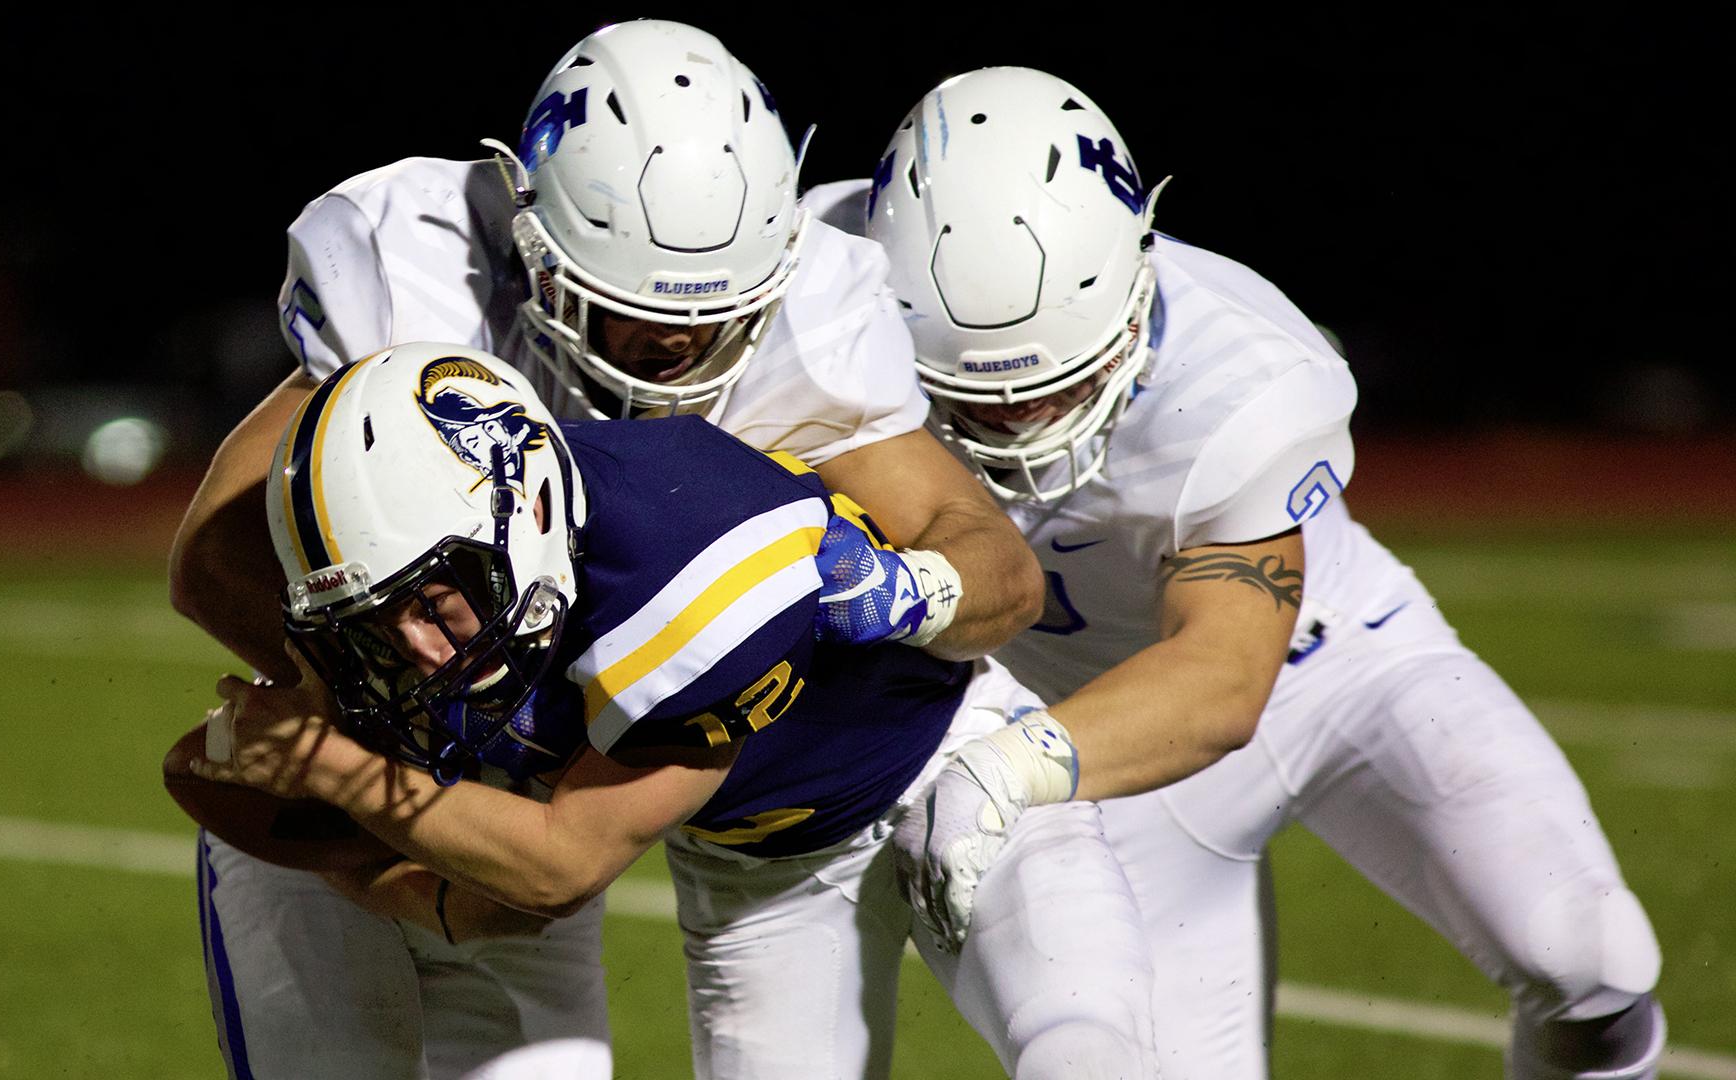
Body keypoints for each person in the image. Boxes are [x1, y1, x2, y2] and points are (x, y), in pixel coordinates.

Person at [166, 21, 1073, 1079]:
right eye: (626, 316)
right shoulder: (421, 290)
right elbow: (214, 559)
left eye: (712, 320)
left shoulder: (805, 336)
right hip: (435, 755)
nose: (671, 351)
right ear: (534, 244)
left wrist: (902, 591)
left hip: (536, 803)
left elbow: (997, 567)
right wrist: (391, 722)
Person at [845, 67, 1666, 1080]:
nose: (1022, 423)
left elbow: (1223, 680)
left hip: (1331, 672)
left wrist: (1004, 770)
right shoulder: (826, 284)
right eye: (975, 398)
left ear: (1134, 276)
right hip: (1112, 761)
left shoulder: (1244, 375)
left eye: (1058, 381)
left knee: (1592, 954)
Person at [189, 342, 1158, 1080]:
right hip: (762, 875)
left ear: (523, 512)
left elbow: (563, 860)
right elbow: (503, 894)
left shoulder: (684, 553)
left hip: (953, 761)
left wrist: (334, 771)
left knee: (1079, 1042)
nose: (422, 653)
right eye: (376, 624)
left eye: (435, 601)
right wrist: (421, 893)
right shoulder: (484, 595)